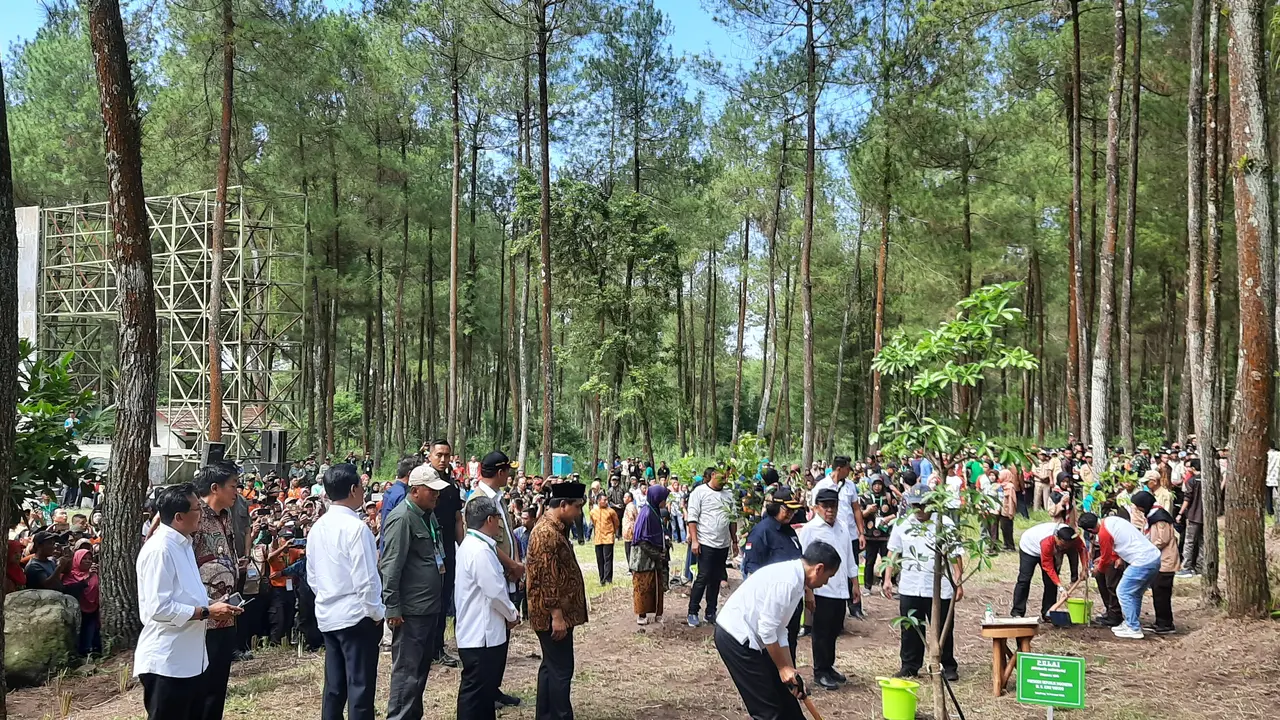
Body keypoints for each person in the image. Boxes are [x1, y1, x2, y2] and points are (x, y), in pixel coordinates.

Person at [134, 483, 242, 720]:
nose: (202, 514)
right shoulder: (160, 549)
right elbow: (158, 608)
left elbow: (187, 593)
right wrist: (206, 612)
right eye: (196, 509)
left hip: (191, 658)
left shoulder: (183, 544)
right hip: (167, 661)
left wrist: (215, 605)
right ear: (179, 517)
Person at [714, 541, 842, 720]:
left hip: (756, 638)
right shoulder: (787, 581)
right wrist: (782, 667)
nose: (826, 582)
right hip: (736, 638)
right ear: (818, 569)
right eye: (829, 576)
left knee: (788, 701)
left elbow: (780, 630)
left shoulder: (797, 580)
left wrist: (790, 671)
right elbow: (767, 630)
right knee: (768, 711)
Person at [308, 463, 386, 719]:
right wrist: (376, 613)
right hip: (356, 616)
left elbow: (313, 577)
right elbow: (366, 580)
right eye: (362, 487)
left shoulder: (318, 527)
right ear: (353, 490)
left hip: (329, 615)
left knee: (334, 687)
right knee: (360, 688)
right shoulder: (357, 528)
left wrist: (327, 597)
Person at [380, 465, 450, 720]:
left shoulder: (427, 515)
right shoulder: (402, 518)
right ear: (415, 490)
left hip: (429, 606)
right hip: (411, 610)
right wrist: (393, 606)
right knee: (407, 672)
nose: (436, 496)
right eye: (431, 491)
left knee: (420, 671)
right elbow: (390, 566)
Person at [883, 484, 962, 681]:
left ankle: (947, 665)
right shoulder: (902, 524)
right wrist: (887, 578)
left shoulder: (943, 524)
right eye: (915, 505)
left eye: (923, 505)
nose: (919, 509)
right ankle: (910, 665)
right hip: (911, 585)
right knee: (910, 627)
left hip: (938, 586)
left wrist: (958, 581)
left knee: (943, 627)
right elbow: (893, 551)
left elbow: (955, 554)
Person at [465, 451, 524, 709]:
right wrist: (511, 564)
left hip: (507, 572)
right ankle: (489, 690)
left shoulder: (498, 498)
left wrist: (516, 560)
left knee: (501, 640)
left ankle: (494, 688)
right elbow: (485, 542)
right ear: (500, 472)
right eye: (507, 471)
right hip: (494, 574)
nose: (509, 475)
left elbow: (507, 535)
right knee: (491, 640)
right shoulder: (478, 500)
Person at [525, 481, 589, 720]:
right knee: (561, 670)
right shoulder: (546, 533)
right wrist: (557, 617)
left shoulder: (555, 528)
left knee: (551, 667)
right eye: (577, 507)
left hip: (555, 613)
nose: (579, 513)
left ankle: (546, 714)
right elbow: (547, 578)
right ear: (563, 505)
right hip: (552, 615)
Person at [455, 496, 521, 720]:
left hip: (477, 631)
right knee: (475, 692)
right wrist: (512, 613)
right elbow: (495, 592)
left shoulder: (474, 545)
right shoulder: (480, 551)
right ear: (490, 520)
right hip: (481, 634)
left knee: (482, 693)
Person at [192, 461, 243, 720]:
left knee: (218, 686)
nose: (237, 491)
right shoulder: (193, 516)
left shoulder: (226, 516)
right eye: (233, 486)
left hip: (226, 614)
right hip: (201, 618)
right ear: (215, 487)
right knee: (201, 687)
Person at [799, 488, 853, 690]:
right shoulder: (811, 529)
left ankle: (829, 666)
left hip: (840, 588)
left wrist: (854, 583)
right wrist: (808, 591)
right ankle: (820, 671)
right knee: (821, 631)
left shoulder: (842, 527)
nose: (830, 510)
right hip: (821, 589)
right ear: (816, 507)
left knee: (834, 630)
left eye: (834, 506)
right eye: (826, 506)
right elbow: (804, 561)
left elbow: (849, 557)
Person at [1078, 511, 1162, 639]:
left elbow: (1106, 559)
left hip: (1142, 562)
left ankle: (1133, 627)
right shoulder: (1111, 521)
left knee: (1123, 591)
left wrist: (1098, 570)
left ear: (1090, 529)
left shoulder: (1103, 533)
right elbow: (1116, 547)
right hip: (1153, 558)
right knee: (1134, 593)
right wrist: (1102, 559)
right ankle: (1130, 622)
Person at [810, 456, 866, 617]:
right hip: (828, 533)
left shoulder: (850, 486)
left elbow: (856, 509)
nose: (850, 471)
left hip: (849, 534)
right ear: (839, 468)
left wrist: (861, 532)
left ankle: (855, 605)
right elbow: (815, 509)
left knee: (851, 565)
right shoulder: (821, 486)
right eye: (848, 468)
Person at [686, 469, 738, 627]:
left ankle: (711, 612)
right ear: (714, 475)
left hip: (722, 544)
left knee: (717, 578)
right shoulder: (699, 492)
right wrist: (695, 540)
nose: (724, 480)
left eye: (727, 478)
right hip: (706, 542)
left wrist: (734, 541)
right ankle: (693, 611)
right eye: (722, 477)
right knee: (703, 576)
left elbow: (732, 519)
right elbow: (693, 518)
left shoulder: (728, 495)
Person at [1010, 523, 1086, 620]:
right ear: (1056, 538)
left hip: (1048, 550)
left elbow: (1082, 548)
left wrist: (1084, 568)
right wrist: (1061, 588)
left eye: (1067, 546)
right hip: (1029, 548)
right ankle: (1017, 612)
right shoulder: (1047, 542)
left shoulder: (1073, 537)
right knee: (1024, 580)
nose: (1064, 548)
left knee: (1050, 583)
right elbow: (1048, 567)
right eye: (1062, 545)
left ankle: (1048, 612)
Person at [1129, 491, 1179, 634]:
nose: (1138, 510)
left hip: (1166, 562)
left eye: (1139, 506)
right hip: (1159, 561)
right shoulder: (1152, 516)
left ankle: (1165, 624)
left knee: (1162, 593)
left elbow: (1162, 539)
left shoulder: (1160, 518)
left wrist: (1147, 547)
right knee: (1158, 593)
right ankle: (1161, 622)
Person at [630, 484, 671, 625]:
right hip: (644, 559)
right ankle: (642, 614)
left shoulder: (655, 511)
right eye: (663, 499)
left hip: (656, 556)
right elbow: (642, 540)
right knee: (644, 586)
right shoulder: (646, 513)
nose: (665, 502)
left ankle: (658, 613)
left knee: (657, 584)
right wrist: (657, 554)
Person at [860, 475, 897, 591]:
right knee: (869, 562)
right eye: (875, 484)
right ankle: (867, 586)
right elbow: (859, 514)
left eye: (879, 484)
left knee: (886, 561)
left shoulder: (888, 496)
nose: (877, 487)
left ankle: (885, 584)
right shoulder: (864, 497)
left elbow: (897, 513)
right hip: (870, 535)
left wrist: (887, 518)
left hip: (885, 535)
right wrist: (868, 511)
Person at [64, 547, 101, 655]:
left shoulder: (95, 574)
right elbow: (70, 589)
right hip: (78, 610)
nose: (88, 561)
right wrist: (86, 578)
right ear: (77, 560)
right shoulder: (70, 575)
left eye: (90, 558)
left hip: (93, 609)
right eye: (84, 558)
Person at [379, 457, 417, 546]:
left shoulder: (391, 490)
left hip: (385, 537)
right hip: (396, 541)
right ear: (410, 473)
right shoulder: (403, 493)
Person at [589, 495, 618, 585]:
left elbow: (616, 523)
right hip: (598, 538)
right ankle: (601, 579)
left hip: (608, 538)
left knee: (608, 559)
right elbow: (594, 523)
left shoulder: (611, 511)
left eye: (606, 500)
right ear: (598, 501)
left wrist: (612, 532)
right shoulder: (593, 512)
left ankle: (608, 579)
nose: (606, 502)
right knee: (600, 559)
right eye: (604, 500)